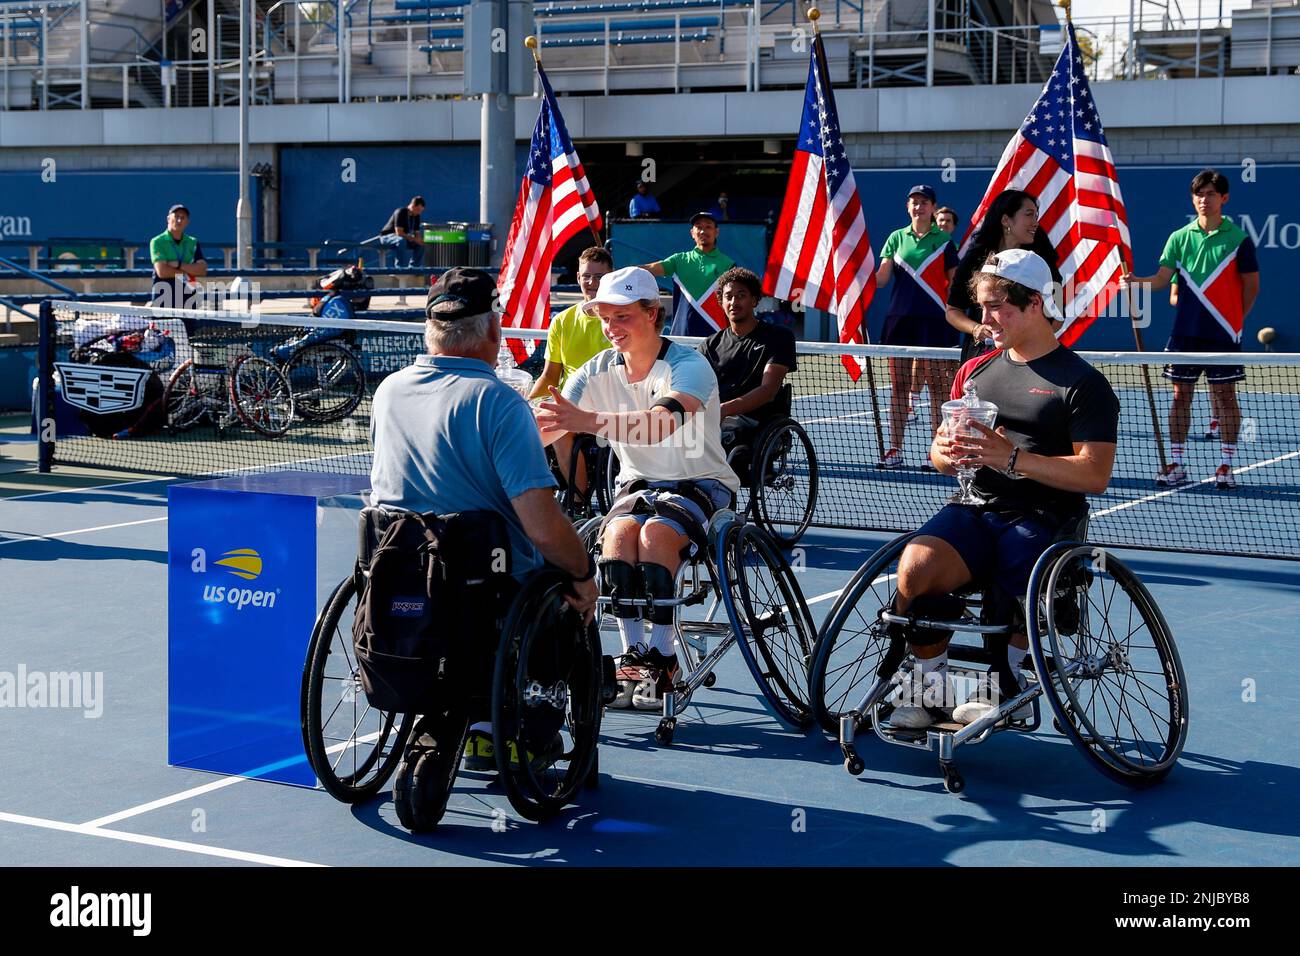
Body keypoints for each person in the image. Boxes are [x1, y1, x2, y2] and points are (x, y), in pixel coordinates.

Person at [369, 266, 597, 768]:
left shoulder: (388, 391)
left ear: (432, 329)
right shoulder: (500, 403)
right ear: (494, 331)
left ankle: (472, 720)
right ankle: (525, 722)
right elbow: (542, 525)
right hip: (485, 580)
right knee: (563, 580)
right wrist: (583, 573)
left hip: (398, 566)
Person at [886, 249, 1119, 729]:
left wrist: (1010, 457)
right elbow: (938, 455)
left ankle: (1007, 682)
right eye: (982, 306)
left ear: (1035, 303)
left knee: (1015, 572)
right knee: (915, 569)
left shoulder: (1083, 384)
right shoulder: (975, 369)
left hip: (1044, 514)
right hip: (975, 505)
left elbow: (1095, 474)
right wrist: (948, 454)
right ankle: (930, 689)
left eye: (997, 307)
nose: (985, 319)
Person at [536, 266, 740, 710]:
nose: (610, 328)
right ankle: (633, 655)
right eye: (604, 318)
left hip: (702, 482)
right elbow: (548, 424)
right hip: (637, 485)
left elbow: (660, 425)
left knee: (655, 535)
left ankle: (664, 657)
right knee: (618, 536)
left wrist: (586, 422)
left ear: (652, 314)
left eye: (622, 316)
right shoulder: (596, 370)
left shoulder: (689, 366)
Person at [1122, 168, 1260, 490]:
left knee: (1225, 397)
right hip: (1185, 334)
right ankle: (1176, 463)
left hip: (1224, 334)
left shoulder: (1239, 240)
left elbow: (1251, 287)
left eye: (1211, 193)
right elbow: (1160, 279)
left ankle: (1225, 465)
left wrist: (1234, 319)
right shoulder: (1179, 238)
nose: (1204, 199)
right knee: (1180, 396)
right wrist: (1136, 281)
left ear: (1223, 198)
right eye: (1199, 194)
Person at [874, 185, 960, 468]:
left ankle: (935, 450)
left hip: (935, 321)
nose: (918, 206)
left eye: (924, 202)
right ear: (907, 207)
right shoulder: (896, 238)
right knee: (899, 386)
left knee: (938, 387)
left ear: (933, 207)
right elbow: (881, 279)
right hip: (900, 321)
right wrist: (853, 270)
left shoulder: (945, 242)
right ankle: (894, 450)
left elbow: (954, 285)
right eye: (913, 202)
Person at [527, 246, 615, 511]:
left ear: (610, 278)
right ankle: (545, 501)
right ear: (578, 277)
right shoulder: (562, 321)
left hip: (611, 405)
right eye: (587, 276)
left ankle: (577, 503)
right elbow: (550, 375)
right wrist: (525, 404)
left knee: (560, 429)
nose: (591, 283)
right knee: (527, 425)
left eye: (599, 277)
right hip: (569, 404)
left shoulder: (620, 320)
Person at [697, 267, 797, 477]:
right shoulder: (710, 345)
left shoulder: (779, 337)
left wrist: (723, 410)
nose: (734, 302)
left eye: (741, 296)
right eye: (729, 297)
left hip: (756, 423)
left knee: (712, 440)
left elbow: (768, 390)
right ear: (721, 302)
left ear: (754, 300)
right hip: (715, 417)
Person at [946, 190, 1062, 364]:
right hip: (981, 356)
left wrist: (1027, 341)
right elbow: (952, 311)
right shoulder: (975, 257)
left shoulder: (1043, 260)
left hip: (1031, 358)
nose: (1035, 222)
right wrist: (977, 328)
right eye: (1029, 215)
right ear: (1006, 220)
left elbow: (1058, 313)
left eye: (1036, 216)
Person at [641, 211, 735, 335]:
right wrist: (621, 273)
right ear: (692, 233)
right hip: (682, 337)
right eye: (699, 227)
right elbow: (651, 268)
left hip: (716, 337)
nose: (703, 231)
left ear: (716, 232)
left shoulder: (728, 264)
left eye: (708, 227)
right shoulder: (679, 260)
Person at [150, 203, 207, 309]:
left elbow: (202, 269)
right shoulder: (157, 241)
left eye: (183, 218)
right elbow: (162, 272)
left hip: (188, 295)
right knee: (163, 325)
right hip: (164, 295)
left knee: (190, 325)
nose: (179, 220)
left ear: (187, 222)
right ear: (168, 219)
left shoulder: (192, 242)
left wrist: (178, 265)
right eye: (176, 217)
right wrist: (189, 271)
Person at [378, 196, 425, 268]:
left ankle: (414, 267)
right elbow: (399, 232)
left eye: (421, 211)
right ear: (412, 206)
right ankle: (399, 268)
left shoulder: (417, 216)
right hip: (387, 237)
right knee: (401, 241)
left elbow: (417, 235)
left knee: (420, 244)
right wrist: (413, 239)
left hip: (403, 237)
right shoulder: (401, 212)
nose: (419, 212)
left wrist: (419, 241)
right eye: (418, 210)